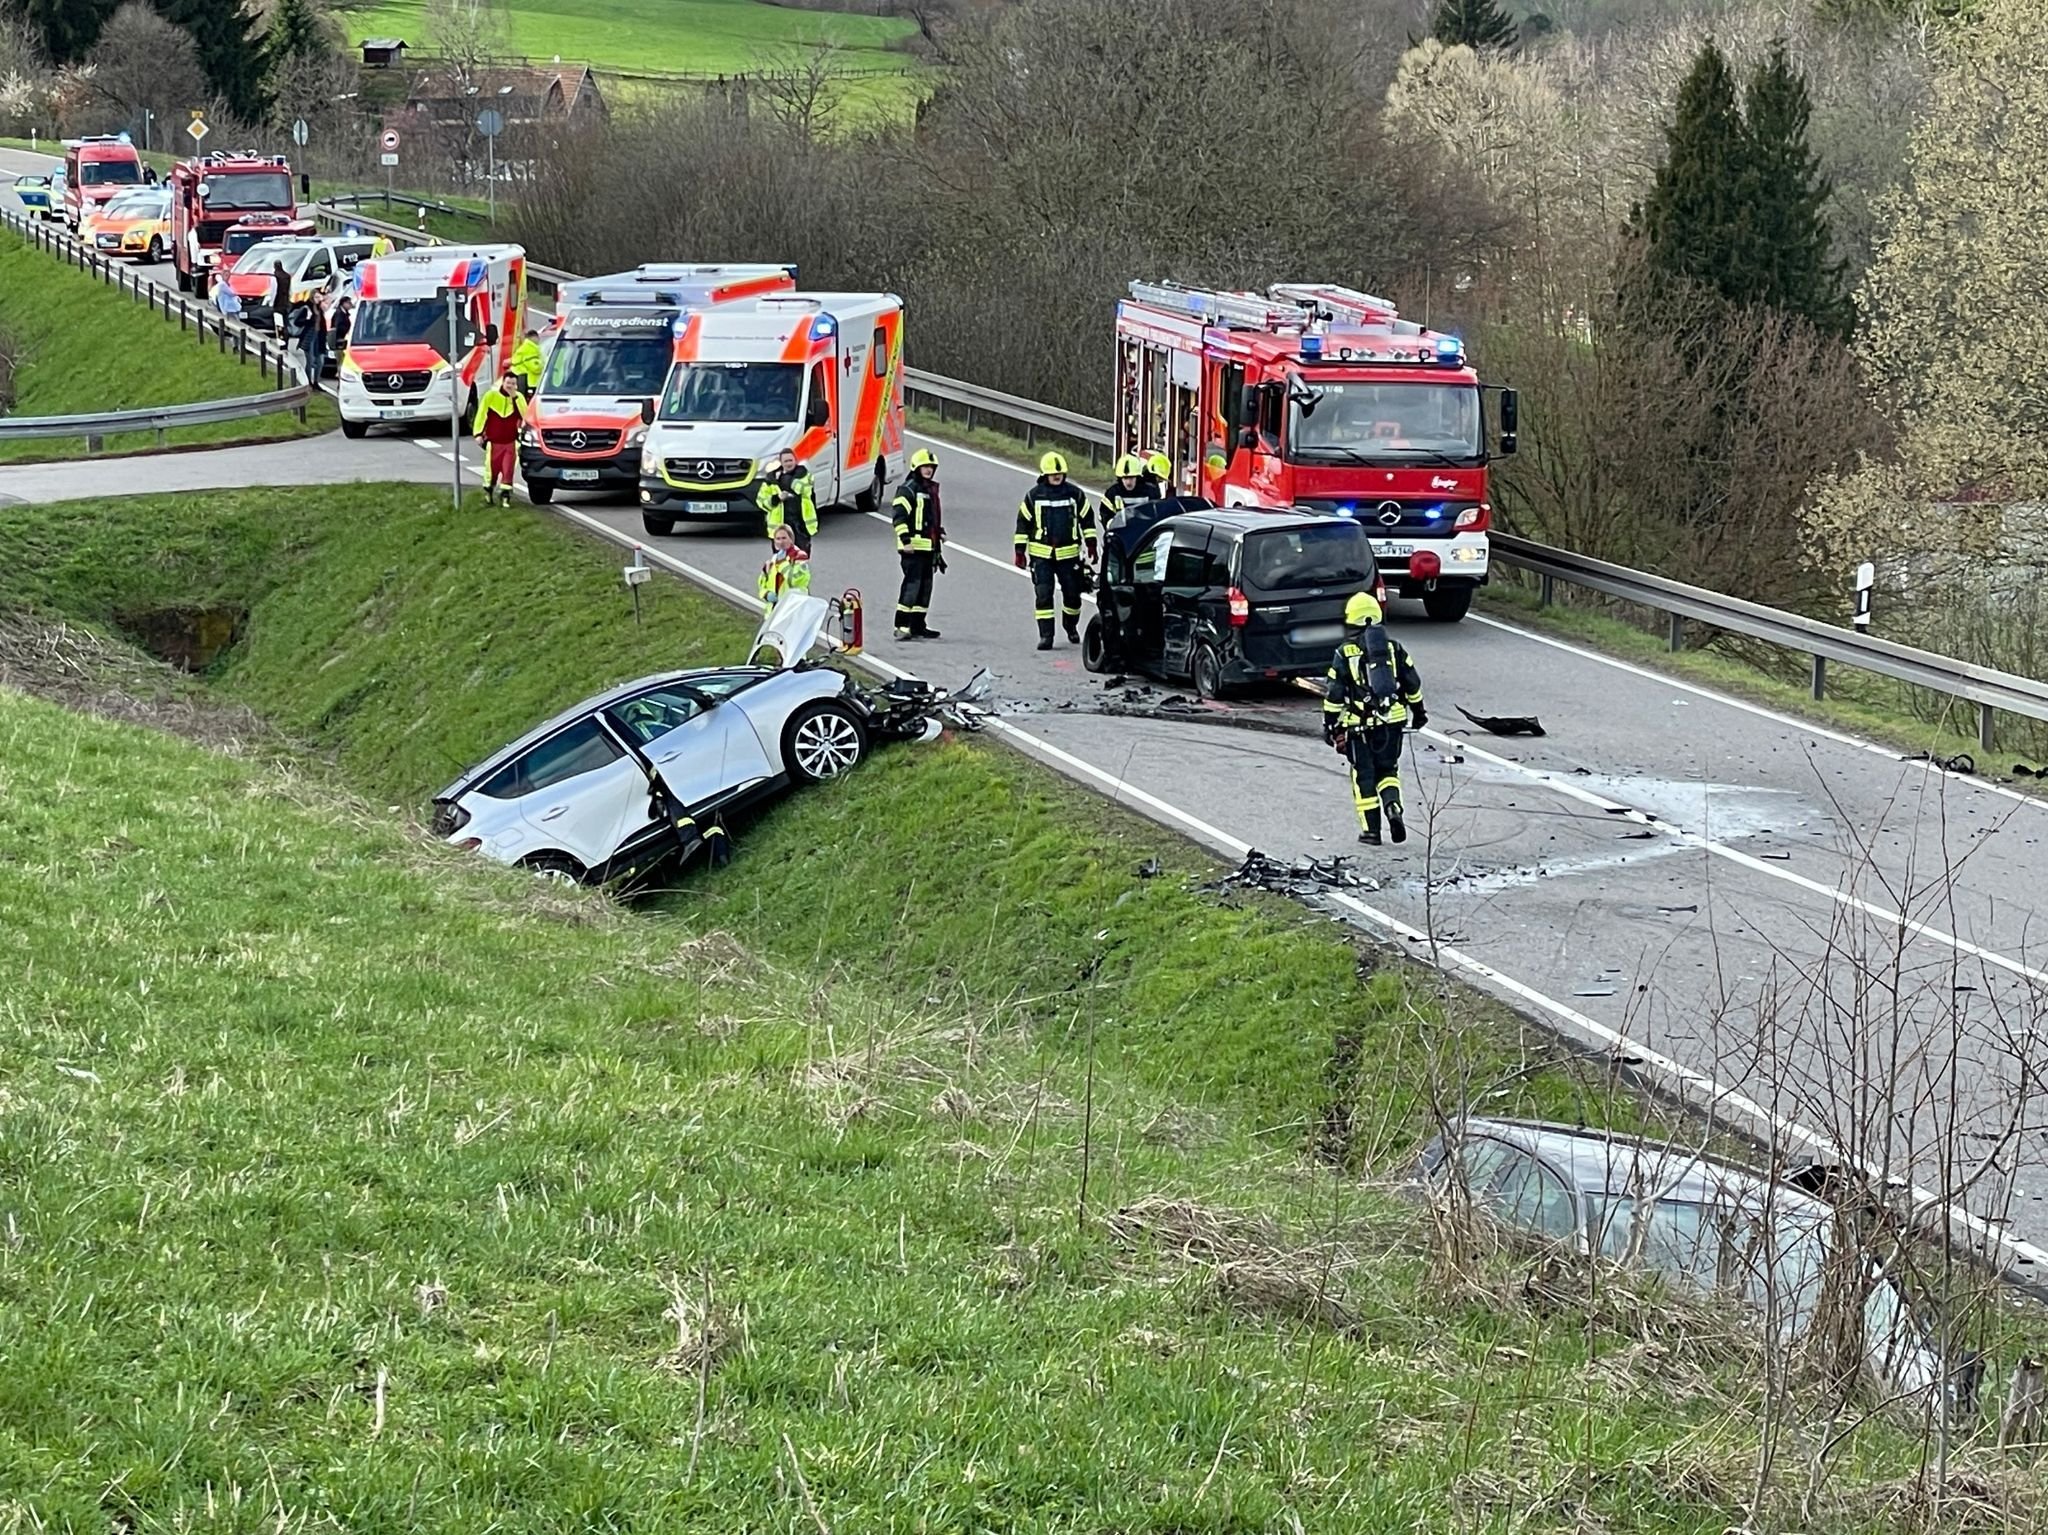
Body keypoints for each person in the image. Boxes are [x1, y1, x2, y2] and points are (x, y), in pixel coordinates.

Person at [1322, 592, 1427, 845]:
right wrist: (1419, 712)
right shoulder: (1394, 648)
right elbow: (1412, 683)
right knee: (1388, 770)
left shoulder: (1344, 653)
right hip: (1393, 722)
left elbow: (1334, 693)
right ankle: (1393, 807)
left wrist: (1329, 723)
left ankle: (1371, 831)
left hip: (1360, 728)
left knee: (1363, 776)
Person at [1014, 450, 1097, 650]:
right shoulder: (1034, 496)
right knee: (1044, 595)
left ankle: (1070, 626)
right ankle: (1046, 636)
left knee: (1073, 596)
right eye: (1053, 474)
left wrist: (1091, 543)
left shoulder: (1075, 494)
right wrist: (1019, 551)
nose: (1057, 476)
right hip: (1041, 555)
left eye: (1059, 473)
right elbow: (1023, 523)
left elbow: (1087, 518)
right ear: (1045, 475)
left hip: (1069, 555)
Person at [890, 447, 946, 640]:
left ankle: (918, 625)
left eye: (931, 467)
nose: (929, 470)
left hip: (928, 548)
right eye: (925, 467)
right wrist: (905, 541)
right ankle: (902, 626)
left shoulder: (929, 490)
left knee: (925, 588)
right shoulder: (908, 489)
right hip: (912, 548)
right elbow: (899, 517)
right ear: (916, 468)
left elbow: (931, 518)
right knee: (911, 587)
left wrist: (939, 533)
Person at [472, 368, 528, 507]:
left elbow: (525, 416)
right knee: (491, 469)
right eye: (508, 383)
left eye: (513, 384)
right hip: (493, 441)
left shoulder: (518, 398)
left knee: (508, 470)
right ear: (503, 383)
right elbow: (482, 414)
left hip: (511, 442)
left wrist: (515, 398)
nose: (511, 387)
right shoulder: (491, 396)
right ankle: (488, 494)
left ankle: (506, 497)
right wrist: (478, 433)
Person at [755, 449, 819, 552]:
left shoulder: (804, 475)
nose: (789, 463)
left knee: (801, 559)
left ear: (795, 461)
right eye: (786, 461)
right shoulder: (771, 480)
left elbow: (805, 489)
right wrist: (776, 498)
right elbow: (761, 501)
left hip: (800, 525)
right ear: (781, 463)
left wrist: (788, 479)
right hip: (780, 528)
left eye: (791, 460)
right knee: (781, 562)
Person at [758, 522, 812, 604]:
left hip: (794, 606)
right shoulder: (772, 560)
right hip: (775, 610)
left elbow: (797, 581)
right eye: (778, 539)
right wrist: (766, 594)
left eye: (784, 538)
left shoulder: (800, 557)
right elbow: (762, 584)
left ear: (791, 539)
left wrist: (782, 563)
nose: (781, 542)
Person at [286, 298, 324, 382]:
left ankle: (316, 381)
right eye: (317, 296)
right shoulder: (306, 307)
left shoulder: (319, 308)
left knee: (320, 360)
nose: (319, 298)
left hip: (318, 336)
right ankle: (309, 381)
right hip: (308, 336)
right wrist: (308, 320)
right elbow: (298, 322)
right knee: (310, 360)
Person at [510, 327, 544, 393]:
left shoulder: (524, 347)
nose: (539, 340)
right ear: (534, 337)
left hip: (521, 380)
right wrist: (544, 366)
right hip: (529, 382)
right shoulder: (530, 348)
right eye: (538, 338)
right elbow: (535, 367)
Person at [269, 260, 291, 333]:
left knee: (279, 322)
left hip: (277, 303)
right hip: (285, 302)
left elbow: (274, 291)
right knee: (285, 322)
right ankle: (286, 336)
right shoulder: (287, 276)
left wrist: (271, 303)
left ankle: (281, 337)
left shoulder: (275, 276)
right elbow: (290, 290)